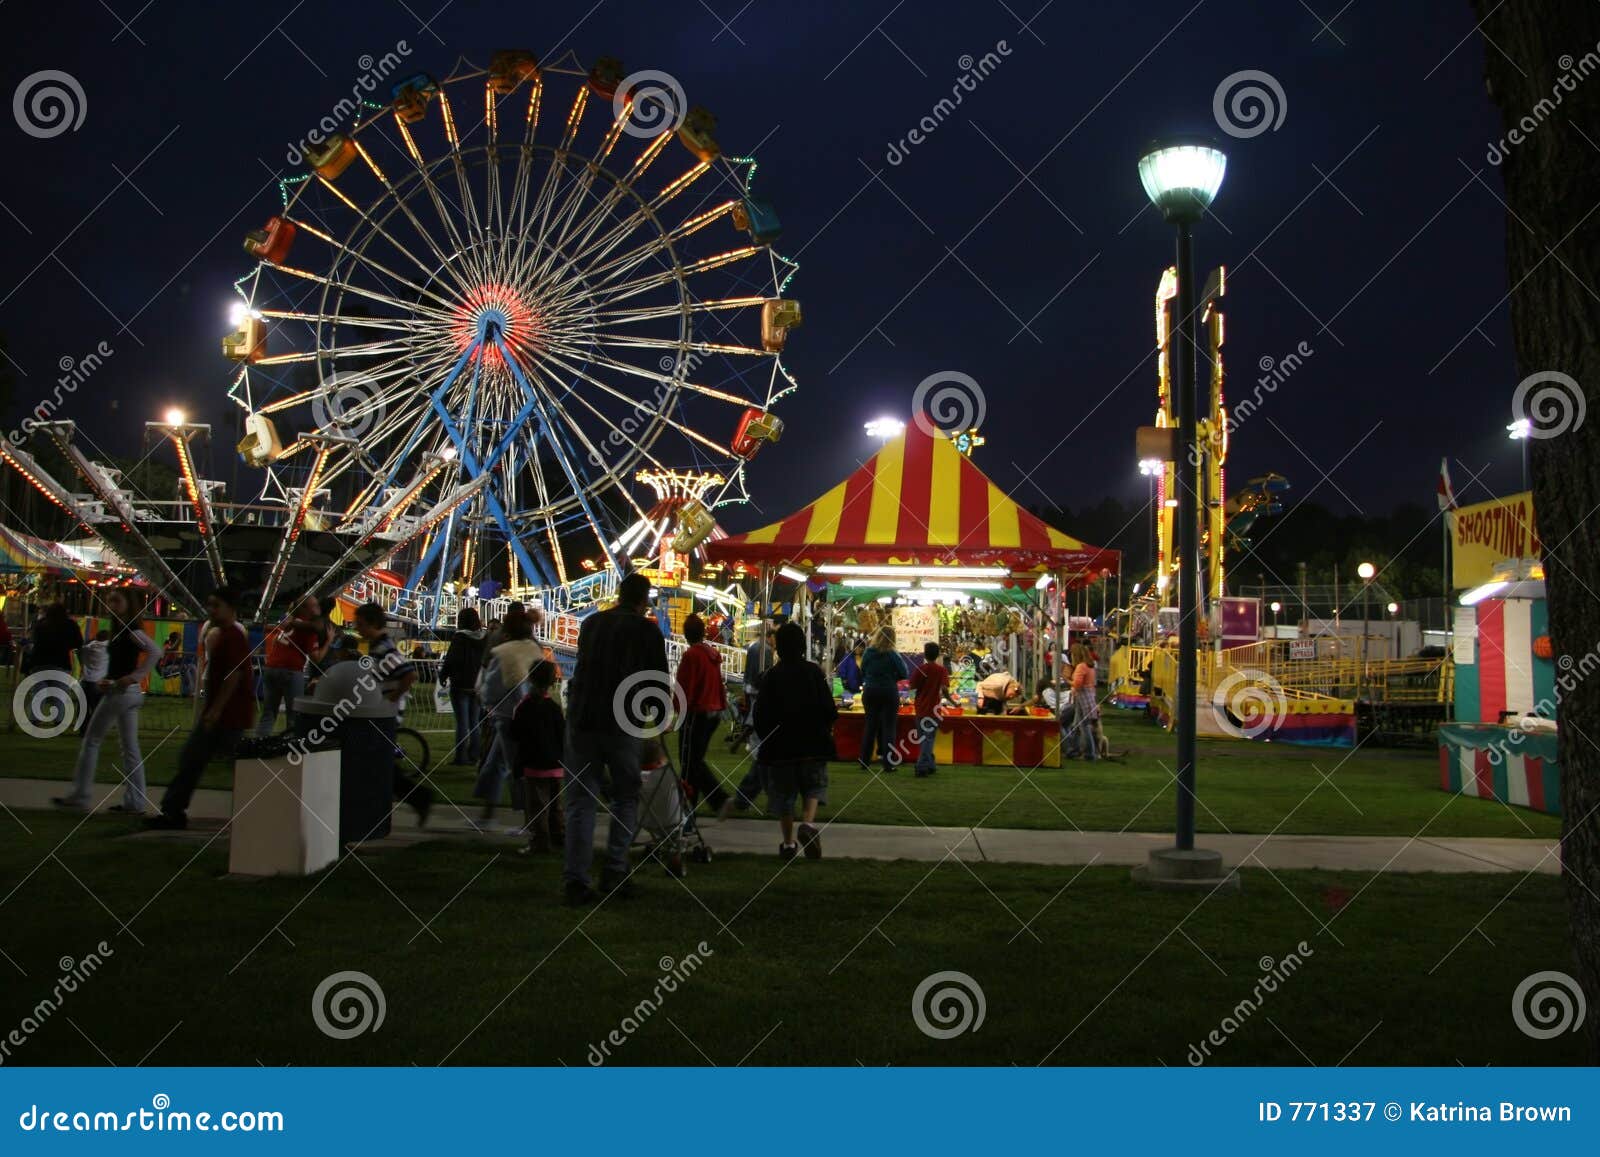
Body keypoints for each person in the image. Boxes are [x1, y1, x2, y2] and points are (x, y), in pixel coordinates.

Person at [562, 572, 668, 905]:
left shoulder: (592, 624)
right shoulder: (647, 630)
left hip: (584, 718)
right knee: (625, 795)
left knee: (581, 801)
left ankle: (576, 879)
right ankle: (615, 870)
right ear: (643, 599)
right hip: (623, 720)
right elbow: (656, 682)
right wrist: (657, 722)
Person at [149, 588, 256, 829]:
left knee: (200, 759)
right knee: (196, 759)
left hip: (228, 715)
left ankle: (174, 812)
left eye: (216, 605)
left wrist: (216, 710)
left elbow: (234, 675)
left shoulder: (233, 636)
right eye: (210, 605)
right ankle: (173, 811)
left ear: (230, 607)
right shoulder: (225, 634)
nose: (211, 610)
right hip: (225, 714)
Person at [53, 590, 159, 814]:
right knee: (130, 748)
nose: (111, 604)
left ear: (128, 603)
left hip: (121, 693)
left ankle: (80, 795)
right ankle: (135, 803)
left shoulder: (130, 630)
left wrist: (133, 677)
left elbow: (155, 651)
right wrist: (114, 679)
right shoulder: (122, 629)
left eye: (117, 600)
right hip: (125, 692)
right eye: (109, 600)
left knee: (92, 741)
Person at [752, 622, 836, 860]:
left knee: (784, 796)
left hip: (780, 748)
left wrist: (766, 737)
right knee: (815, 786)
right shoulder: (813, 672)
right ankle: (808, 824)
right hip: (813, 744)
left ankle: (788, 844)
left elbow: (760, 715)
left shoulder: (771, 676)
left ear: (778, 647)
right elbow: (828, 708)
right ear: (802, 645)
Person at [352, 601, 435, 824]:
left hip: (385, 715)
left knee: (378, 765)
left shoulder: (384, 648)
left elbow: (409, 674)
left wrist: (392, 698)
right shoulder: (377, 646)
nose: (356, 628)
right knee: (381, 764)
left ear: (371, 624)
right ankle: (416, 798)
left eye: (359, 624)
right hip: (382, 713)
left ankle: (416, 798)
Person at [474, 609, 543, 825]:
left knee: (517, 769)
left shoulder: (503, 653)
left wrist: (485, 700)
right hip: (530, 714)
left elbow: (491, 689)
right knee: (496, 764)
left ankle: (531, 821)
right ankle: (487, 813)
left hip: (508, 717)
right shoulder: (534, 649)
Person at [674, 613, 730, 814]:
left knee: (689, 762)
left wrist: (678, 711)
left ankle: (712, 800)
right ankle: (694, 809)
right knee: (694, 761)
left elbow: (684, 687)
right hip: (713, 711)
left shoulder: (692, 656)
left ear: (685, 634)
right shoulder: (711, 654)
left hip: (697, 712)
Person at [511, 659, 565, 854]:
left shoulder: (524, 707)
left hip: (534, 764)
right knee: (555, 805)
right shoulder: (554, 708)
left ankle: (540, 843)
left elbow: (515, 734)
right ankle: (558, 836)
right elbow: (562, 735)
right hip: (555, 764)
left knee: (537, 807)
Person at [723, 623, 776, 816]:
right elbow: (752, 723)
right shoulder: (766, 651)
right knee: (762, 771)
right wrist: (737, 742)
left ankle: (745, 801)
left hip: (764, 737)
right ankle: (767, 804)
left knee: (761, 770)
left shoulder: (753, 647)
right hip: (767, 741)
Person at [257, 596, 326, 737]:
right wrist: (328, 641)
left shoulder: (289, 622)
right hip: (291, 670)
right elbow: (316, 658)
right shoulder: (308, 628)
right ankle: (289, 748)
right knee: (294, 715)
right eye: (315, 605)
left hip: (271, 667)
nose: (318, 608)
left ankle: (259, 745)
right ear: (306, 609)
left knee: (268, 712)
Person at [438, 607, 488, 765]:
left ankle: (461, 757)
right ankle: (474, 754)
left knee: (462, 723)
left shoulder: (460, 638)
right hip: (477, 684)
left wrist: (443, 675)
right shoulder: (484, 638)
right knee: (474, 722)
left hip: (460, 684)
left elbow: (452, 659)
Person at [857, 627, 906, 774]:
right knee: (889, 728)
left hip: (870, 691)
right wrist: (891, 678)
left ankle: (864, 761)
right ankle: (888, 764)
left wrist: (871, 679)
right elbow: (904, 672)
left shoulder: (868, 652)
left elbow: (863, 670)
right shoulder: (892, 654)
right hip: (888, 691)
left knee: (870, 726)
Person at [907, 641, 952, 778]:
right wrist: (952, 701)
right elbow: (944, 689)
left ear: (925, 655)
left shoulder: (920, 669)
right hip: (934, 710)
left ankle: (930, 765)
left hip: (920, 708)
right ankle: (922, 766)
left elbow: (912, 687)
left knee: (924, 738)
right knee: (929, 738)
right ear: (938, 654)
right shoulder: (942, 670)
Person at [1067, 645, 1100, 763]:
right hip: (1089, 696)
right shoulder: (1090, 666)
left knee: (1083, 726)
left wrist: (1068, 681)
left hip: (1082, 697)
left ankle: (1089, 753)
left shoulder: (1081, 667)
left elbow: (1077, 684)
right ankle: (1073, 750)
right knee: (1076, 725)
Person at [77, 630, 109, 735]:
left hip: (84, 681)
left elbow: (79, 650)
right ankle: (95, 730)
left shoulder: (87, 648)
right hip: (98, 683)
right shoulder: (108, 648)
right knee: (97, 709)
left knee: (83, 709)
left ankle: (83, 731)